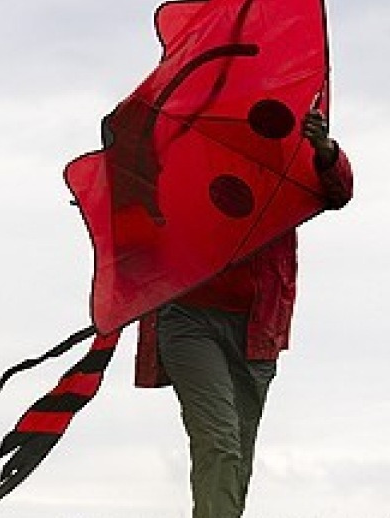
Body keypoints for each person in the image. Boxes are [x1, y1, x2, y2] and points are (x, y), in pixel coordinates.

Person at [133, 110, 354, 518]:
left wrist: (323, 148)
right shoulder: (187, 134)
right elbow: (133, 178)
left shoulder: (290, 144)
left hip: (257, 326)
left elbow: (338, 192)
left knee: (239, 451)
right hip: (189, 317)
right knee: (219, 439)